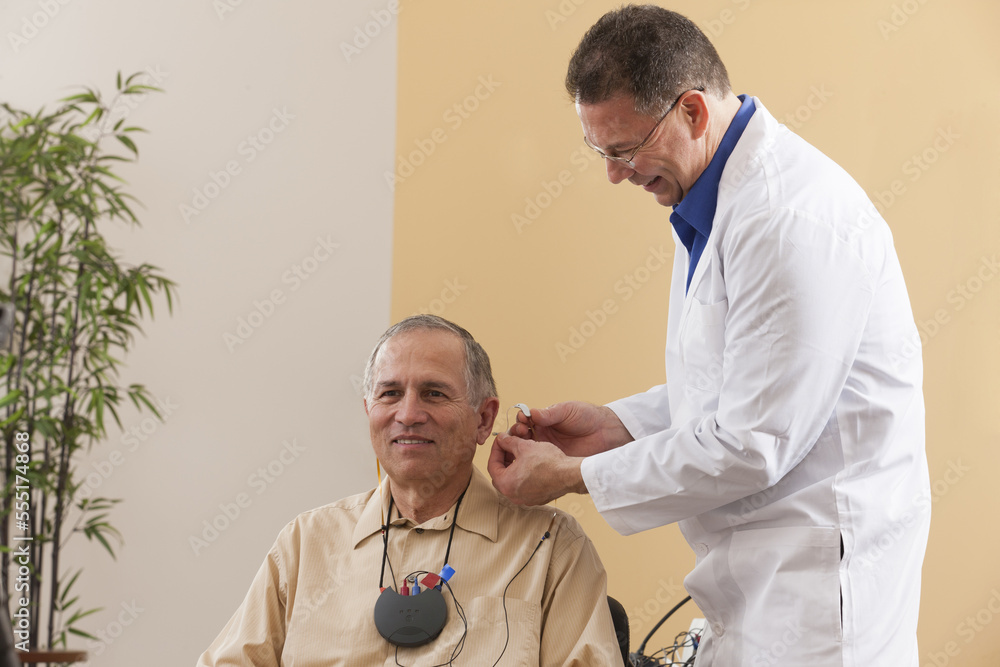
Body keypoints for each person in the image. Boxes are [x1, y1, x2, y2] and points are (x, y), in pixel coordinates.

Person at [488, 6, 930, 666]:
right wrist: (617, 425)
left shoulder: (786, 220)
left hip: (816, 597)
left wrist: (577, 474)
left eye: (624, 149)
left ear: (692, 111)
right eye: (600, 151)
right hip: (763, 578)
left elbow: (753, 442)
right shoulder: (716, 198)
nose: (615, 173)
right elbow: (739, 385)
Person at [197, 315, 621, 666]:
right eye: (390, 393)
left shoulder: (552, 547)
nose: (408, 414)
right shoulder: (305, 543)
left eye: (434, 393)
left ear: (484, 419)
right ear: (369, 412)